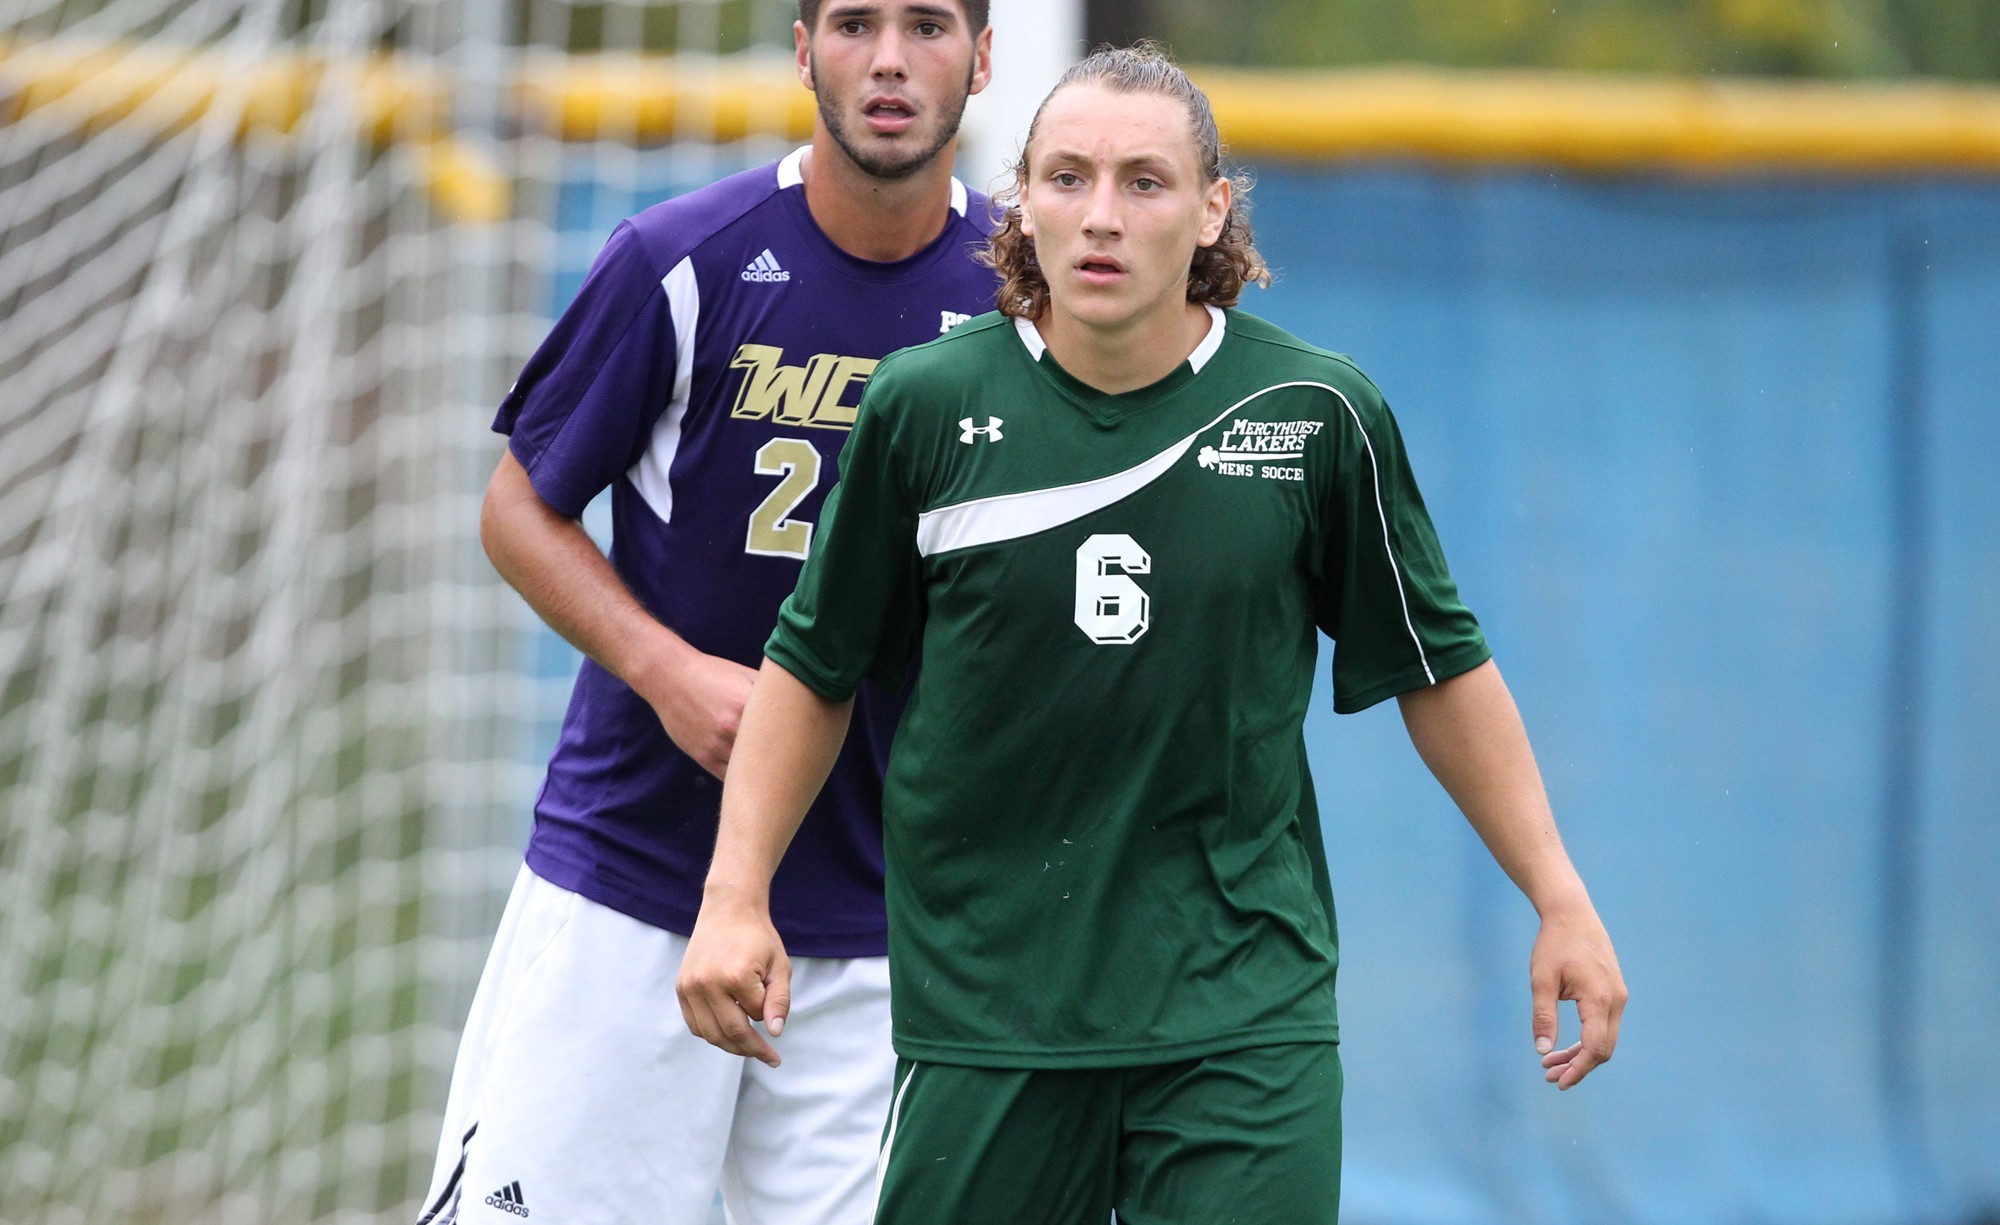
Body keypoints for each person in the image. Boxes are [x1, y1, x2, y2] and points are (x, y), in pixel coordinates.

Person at [676, 42, 1628, 1225]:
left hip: (1240, 1011)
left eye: (1143, 182)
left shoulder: (1315, 415)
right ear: (1021, 202)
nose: (1100, 217)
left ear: (1211, 207)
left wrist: (1559, 896)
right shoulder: (922, 406)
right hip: (988, 1013)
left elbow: (1437, 669)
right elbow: (812, 667)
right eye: (1066, 178)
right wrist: (733, 894)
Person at [415, 4, 997, 1223]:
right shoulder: (679, 260)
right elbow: (519, 509)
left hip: (885, 916)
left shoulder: (1025, 302)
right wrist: (667, 669)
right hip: (638, 875)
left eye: (929, 24)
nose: (888, 58)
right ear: (801, 50)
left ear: (983, 58)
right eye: (853, 23)